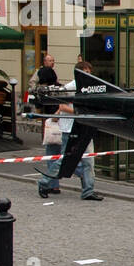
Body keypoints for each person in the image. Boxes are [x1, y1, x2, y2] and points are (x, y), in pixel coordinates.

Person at [37, 59, 104, 201]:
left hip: (86, 126)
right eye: (85, 72)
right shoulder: (70, 87)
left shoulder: (90, 88)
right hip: (71, 128)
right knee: (65, 160)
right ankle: (44, 182)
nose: (88, 75)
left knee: (88, 161)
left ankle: (88, 190)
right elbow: (62, 106)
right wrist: (79, 112)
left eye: (89, 72)